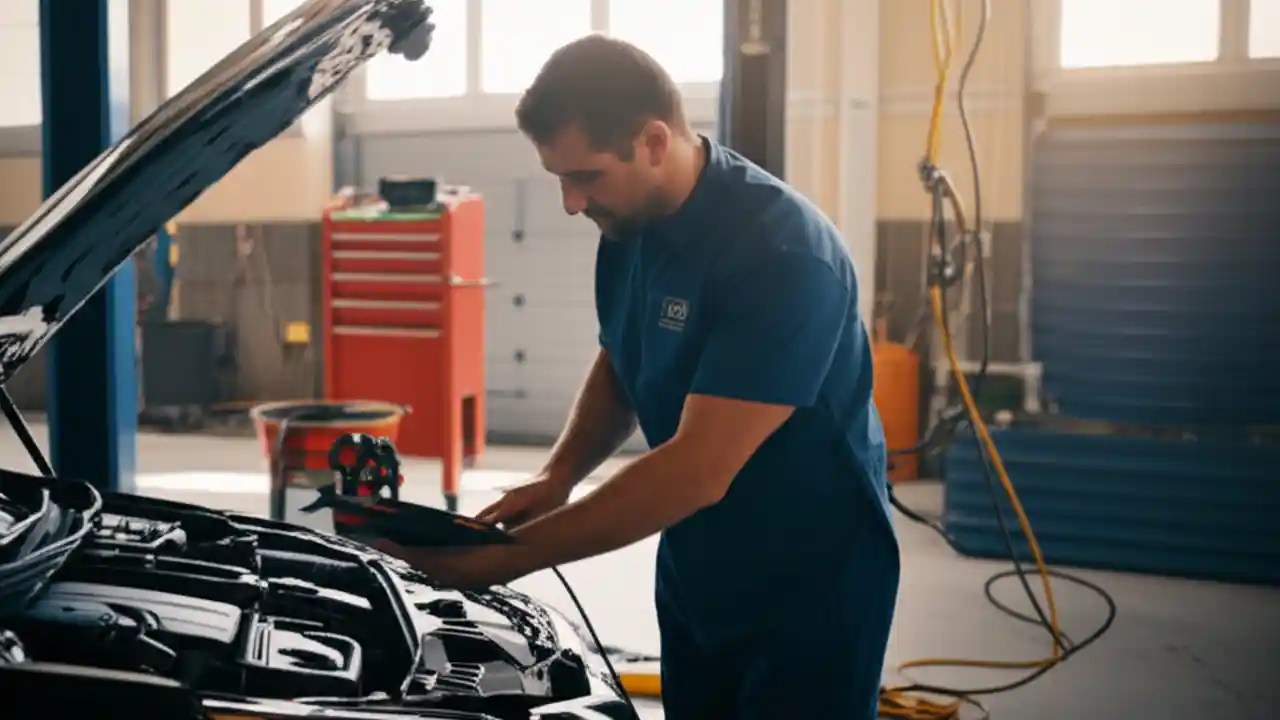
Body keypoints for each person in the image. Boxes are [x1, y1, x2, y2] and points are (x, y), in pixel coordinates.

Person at [373, 35, 900, 719]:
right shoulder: (633, 227)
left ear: (654, 141)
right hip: (699, 558)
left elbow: (696, 470)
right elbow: (623, 359)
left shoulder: (783, 255)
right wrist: (558, 476)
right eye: (559, 178)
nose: (569, 203)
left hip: (809, 577)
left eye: (585, 177)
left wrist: (507, 560)